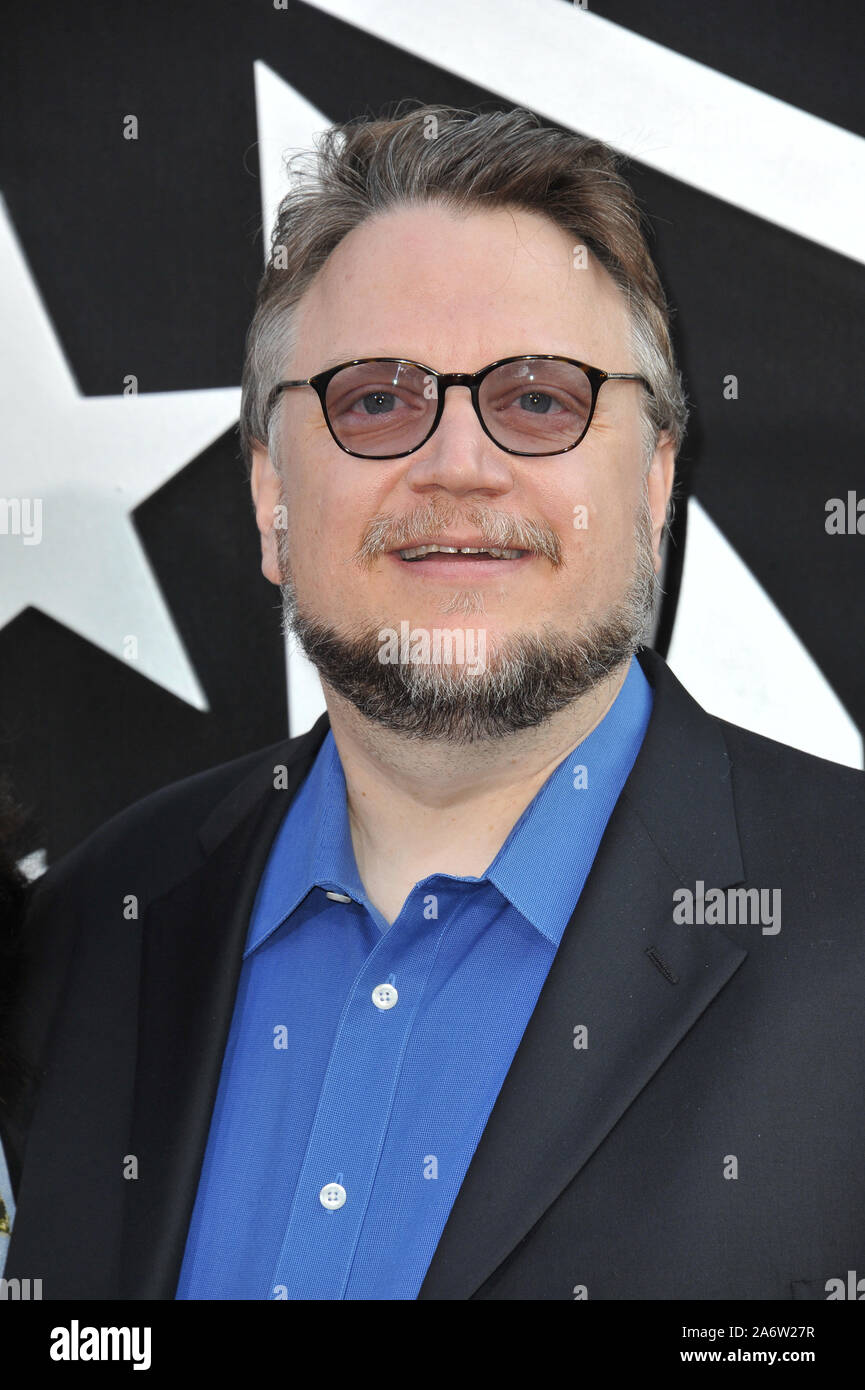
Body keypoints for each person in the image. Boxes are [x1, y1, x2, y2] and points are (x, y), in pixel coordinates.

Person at [5, 105, 864, 1301]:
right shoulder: (89, 933)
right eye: (373, 401)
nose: (458, 463)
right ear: (269, 494)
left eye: (538, 399)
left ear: (657, 478)